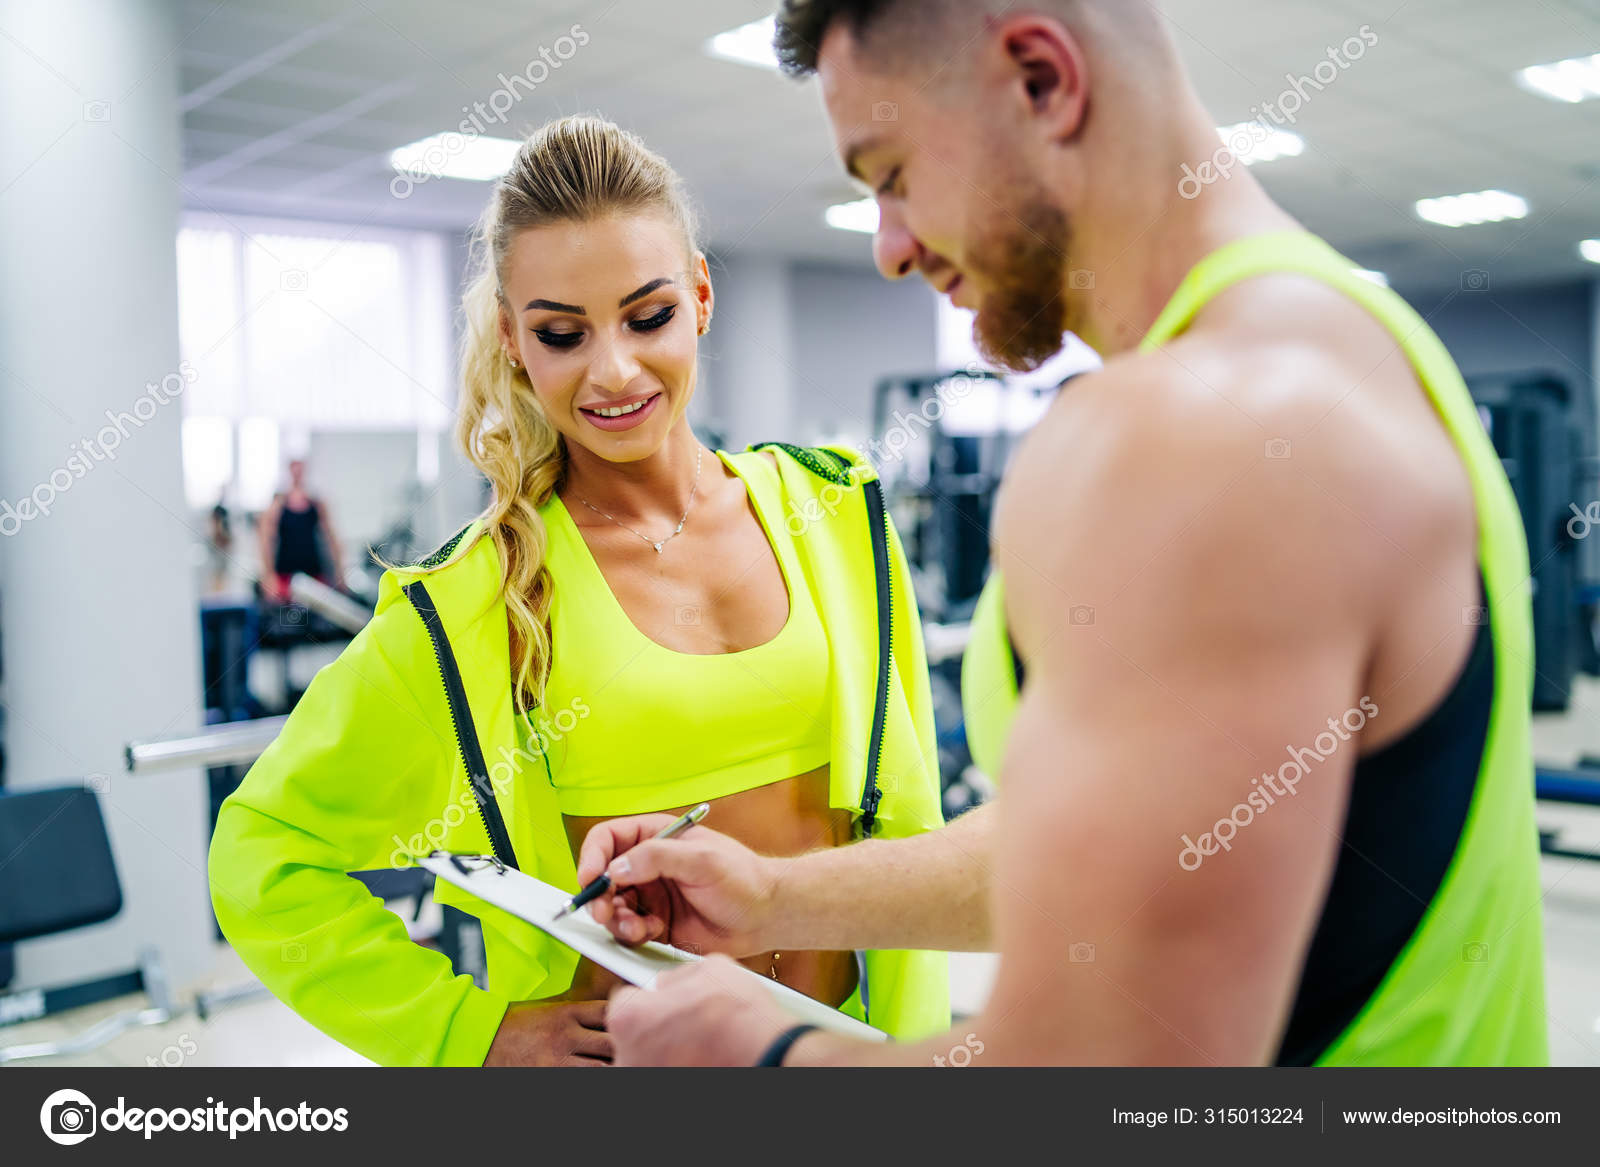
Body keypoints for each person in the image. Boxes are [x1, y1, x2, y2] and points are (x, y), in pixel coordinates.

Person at [584, 0, 1548, 1067]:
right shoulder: (1361, 344)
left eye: (893, 175)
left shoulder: (1199, 436)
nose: (891, 249)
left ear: (1042, 81)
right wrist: (776, 897)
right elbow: (1140, 848)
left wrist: (767, 1058)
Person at [207, 114, 949, 1067]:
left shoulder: (837, 512)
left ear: (701, 297)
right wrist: (470, 1034)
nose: (614, 371)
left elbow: (910, 812)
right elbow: (263, 851)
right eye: (563, 334)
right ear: (514, 340)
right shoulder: (479, 598)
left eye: (649, 317)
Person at [257, 459, 346, 602]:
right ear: (289, 471)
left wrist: (339, 573)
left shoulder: (316, 504)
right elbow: (266, 541)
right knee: (287, 613)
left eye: (300, 469)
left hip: (313, 573)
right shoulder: (278, 505)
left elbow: (332, 539)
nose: (297, 473)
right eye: (294, 469)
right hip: (285, 574)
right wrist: (268, 575)